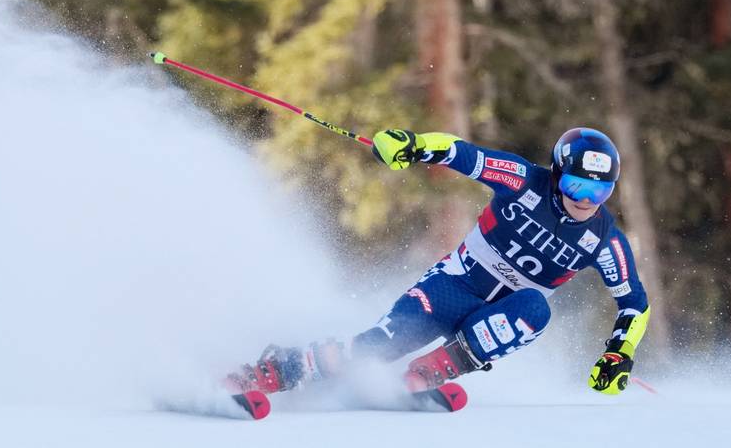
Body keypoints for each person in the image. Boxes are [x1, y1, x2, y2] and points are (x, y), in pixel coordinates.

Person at [229, 127, 651, 400]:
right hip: (455, 285)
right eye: (576, 184)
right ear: (557, 175)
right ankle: (272, 371)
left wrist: (619, 352)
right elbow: (463, 154)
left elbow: (635, 303)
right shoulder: (525, 181)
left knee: (536, 311)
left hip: (501, 314)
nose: (584, 200)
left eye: (598, 192)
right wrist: (413, 146)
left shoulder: (604, 238)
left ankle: (434, 370)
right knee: (374, 348)